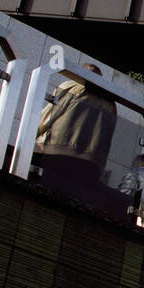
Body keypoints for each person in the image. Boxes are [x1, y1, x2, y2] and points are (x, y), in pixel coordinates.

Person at [35, 62, 118, 202]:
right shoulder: (111, 103)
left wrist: (33, 134)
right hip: (90, 164)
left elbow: (48, 117)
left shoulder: (71, 87)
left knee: (45, 195)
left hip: (58, 152)